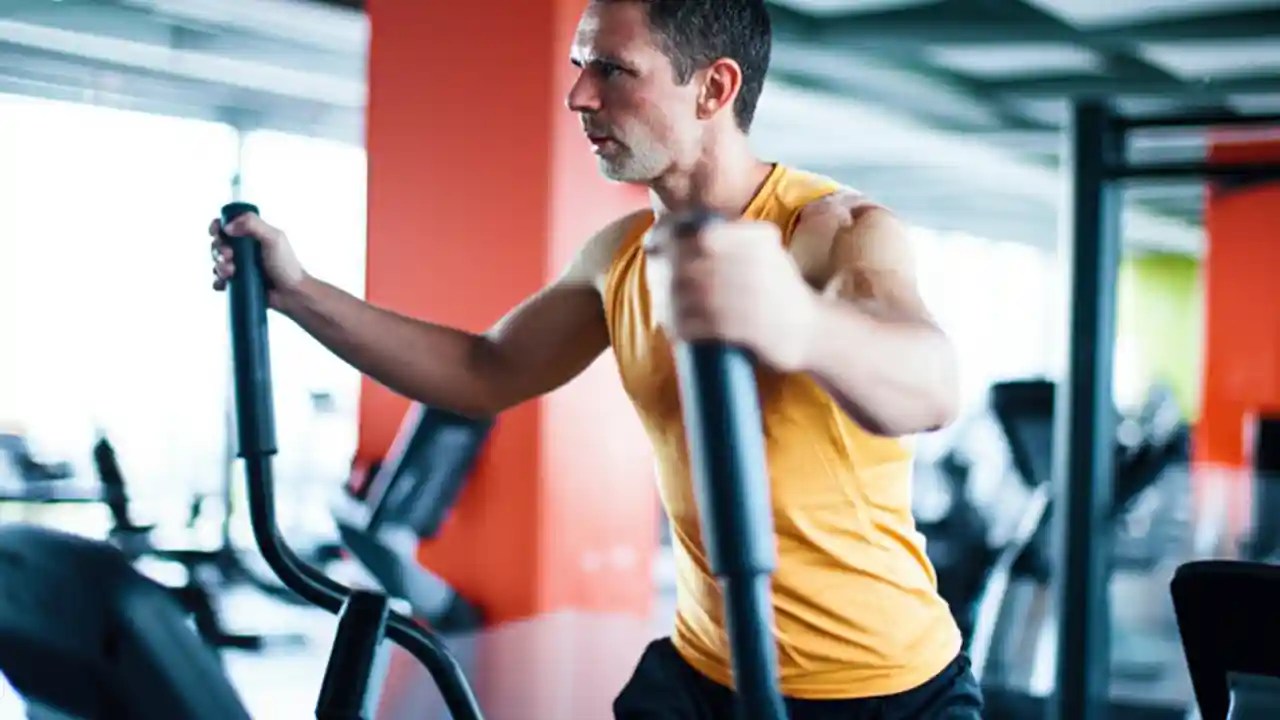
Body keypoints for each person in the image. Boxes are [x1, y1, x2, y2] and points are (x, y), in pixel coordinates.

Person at [208, 0, 983, 717]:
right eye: (579, 66)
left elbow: (931, 389)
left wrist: (798, 324)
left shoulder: (837, 230)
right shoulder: (620, 256)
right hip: (705, 670)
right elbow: (483, 373)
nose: (578, 96)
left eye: (612, 69)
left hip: (884, 687)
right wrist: (298, 292)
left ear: (713, 88)